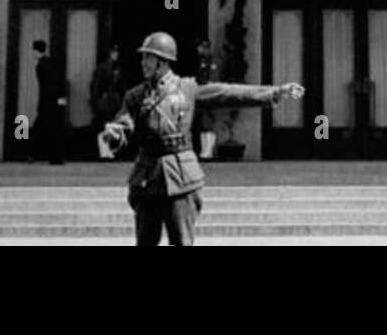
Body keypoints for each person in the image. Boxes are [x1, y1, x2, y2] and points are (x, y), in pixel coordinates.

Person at [100, 31, 305, 246]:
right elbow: (122, 124)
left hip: (181, 176)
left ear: (163, 61)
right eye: (143, 57)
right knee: (145, 242)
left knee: (182, 241)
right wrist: (114, 135)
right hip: (147, 177)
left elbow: (227, 93)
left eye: (149, 57)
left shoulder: (187, 88)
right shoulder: (135, 96)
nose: (144, 63)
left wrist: (274, 92)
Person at [33, 39, 68, 164]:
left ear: (36, 51)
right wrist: (62, 99)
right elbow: (59, 82)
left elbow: (44, 87)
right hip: (55, 101)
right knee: (54, 129)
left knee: (40, 128)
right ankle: (55, 156)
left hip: (46, 102)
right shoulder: (51, 63)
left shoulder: (40, 66)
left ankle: (34, 153)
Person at [90, 44, 125, 141]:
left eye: (117, 53)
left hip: (114, 101)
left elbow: (121, 87)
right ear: (110, 53)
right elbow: (96, 86)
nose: (116, 55)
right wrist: (95, 102)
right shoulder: (102, 67)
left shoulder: (118, 68)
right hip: (105, 100)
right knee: (103, 124)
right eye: (114, 53)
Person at [194, 37, 218, 160]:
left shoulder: (211, 61)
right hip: (202, 93)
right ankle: (204, 151)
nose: (199, 50)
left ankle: (209, 151)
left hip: (210, 93)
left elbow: (212, 78)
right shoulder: (202, 61)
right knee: (203, 123)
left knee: (209, 123)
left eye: (201, 47)